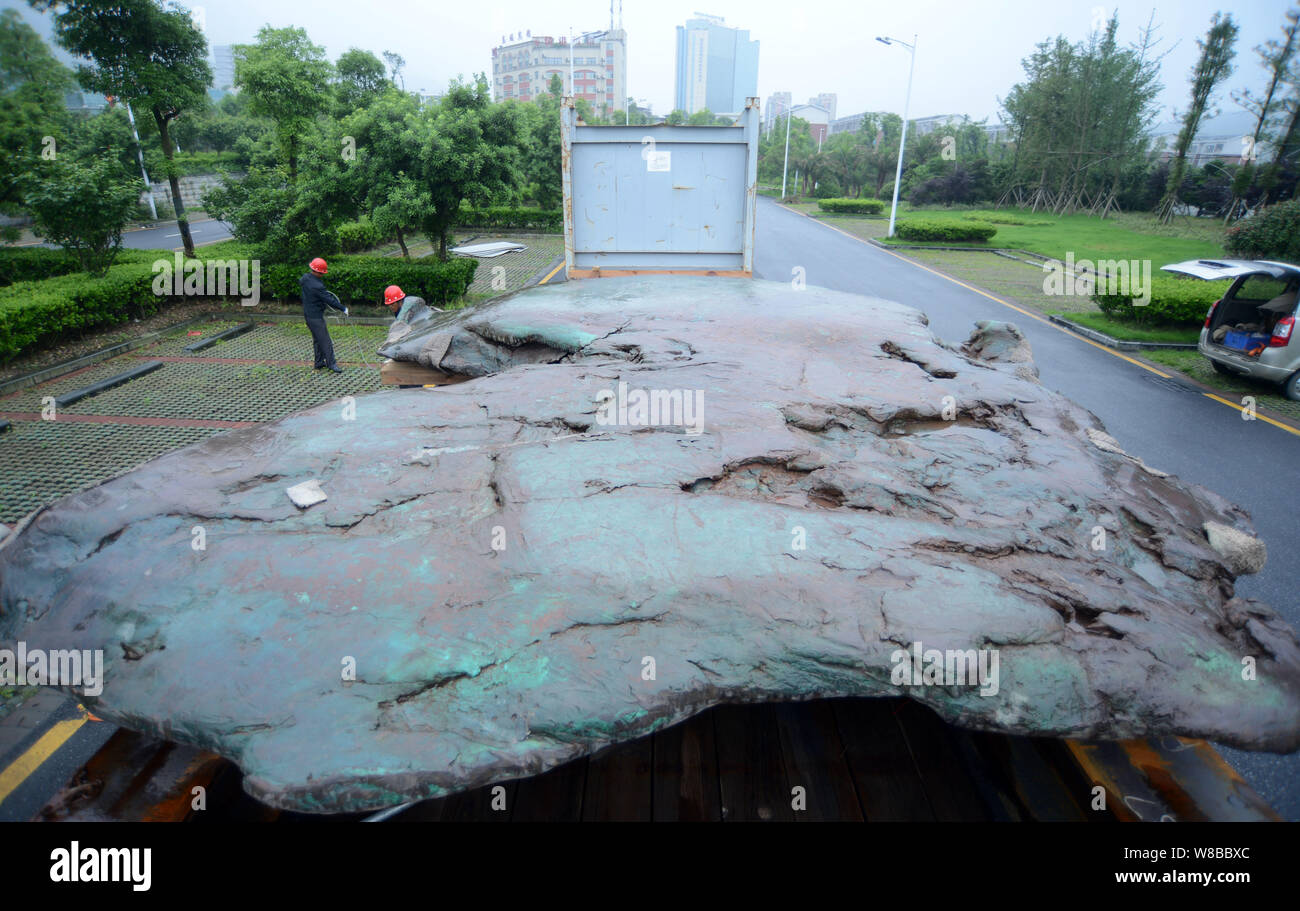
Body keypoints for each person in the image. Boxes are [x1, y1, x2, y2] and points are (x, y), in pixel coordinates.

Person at [300, 257, 348, 373]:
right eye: (321, 273)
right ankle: (332, 364)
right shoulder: (317, 286)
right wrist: (343, 308)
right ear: (316, 271)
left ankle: (319, 362)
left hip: (308, 314)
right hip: (315, 317)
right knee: (326, 341)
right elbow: (329, 299)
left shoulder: (305, 278)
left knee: (317, 339)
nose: (322, 275)